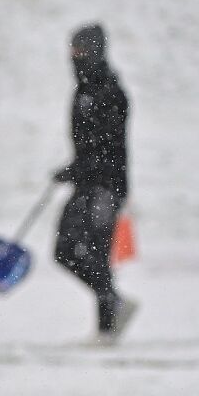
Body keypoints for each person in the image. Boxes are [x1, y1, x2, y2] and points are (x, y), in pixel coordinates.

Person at [53, 23, 136, 345]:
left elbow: (108, 146)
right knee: (63, 250)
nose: (75, 55)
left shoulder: (110, 91)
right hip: (87, 182)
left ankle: (106, 326)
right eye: (73, 49)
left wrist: (78, 170)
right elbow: (89, 145)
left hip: (107, 186)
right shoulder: (83, 90)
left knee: (98, 254)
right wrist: (74, 170)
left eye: (82, 49)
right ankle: (112, 301)